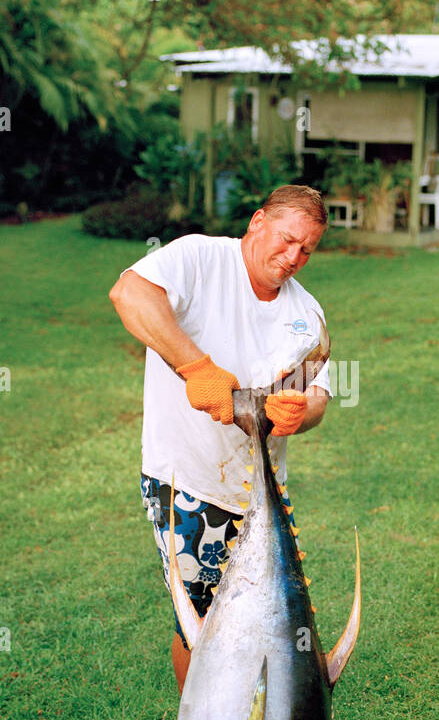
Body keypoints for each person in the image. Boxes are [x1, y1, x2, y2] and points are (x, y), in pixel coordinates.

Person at [108, 185, 332, 692]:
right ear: (257, 221)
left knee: (262, 620)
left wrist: (302, 412)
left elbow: (320, 393)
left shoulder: (308, 316)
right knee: (201, 625)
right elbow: (129, 294)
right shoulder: (198, 258)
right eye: (287, 239)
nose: (294, 257)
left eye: (307, 250)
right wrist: (196, 367)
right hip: (187, 481)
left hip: (265, 493)